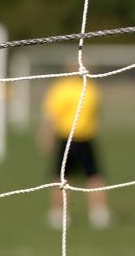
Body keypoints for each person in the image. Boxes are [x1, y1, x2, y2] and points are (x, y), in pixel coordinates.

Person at [38, 71, 110, 229]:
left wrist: (46, 135)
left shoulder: (64, 88)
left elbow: (51, 115)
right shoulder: (89, 88)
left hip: (73, 138)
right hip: (79, 138)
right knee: (90, 175)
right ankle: (97, 213)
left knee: (65, 177)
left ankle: (62, 214)